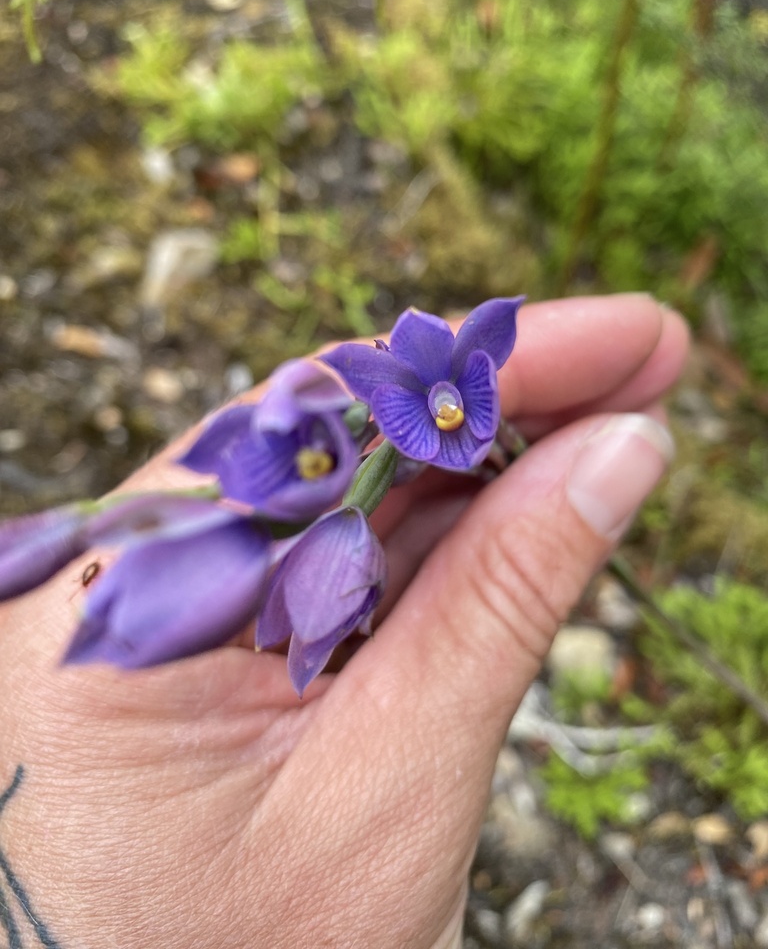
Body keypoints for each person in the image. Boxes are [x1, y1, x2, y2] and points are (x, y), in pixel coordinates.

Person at [0, 293, 689, 949]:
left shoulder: (420, 396)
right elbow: (254, 468)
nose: (449, 413)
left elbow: (450, 422)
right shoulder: (329, 473)